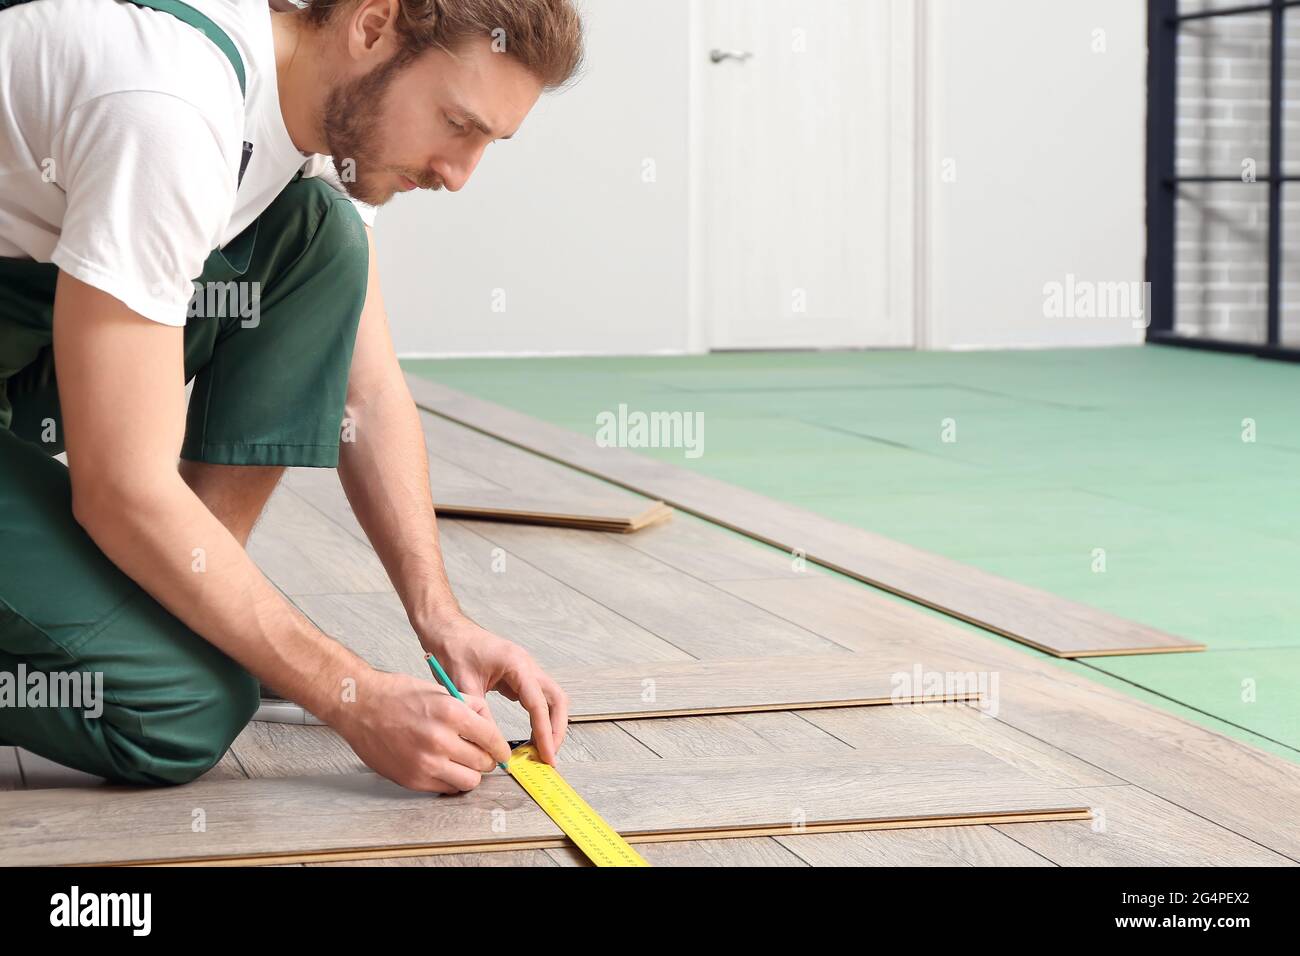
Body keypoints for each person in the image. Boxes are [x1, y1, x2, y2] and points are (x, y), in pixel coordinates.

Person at [0, 0, 583, 791]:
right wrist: (356, 700)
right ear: (373, 26)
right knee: (180, 705)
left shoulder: (317, 132)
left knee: (320, 241)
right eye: (456, 123)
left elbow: (368, 393)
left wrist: (439, 617)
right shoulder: (169, 108)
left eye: (487, 143)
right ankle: (168, 638)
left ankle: (181, 611)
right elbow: (121, 491)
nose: (457, 173)